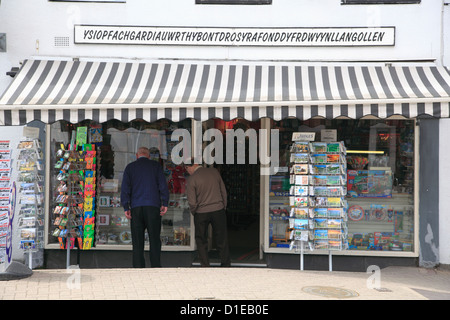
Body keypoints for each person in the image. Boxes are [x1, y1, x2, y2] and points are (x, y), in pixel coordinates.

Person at [121, 147, 169, 268]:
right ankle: (156, 266)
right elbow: (163, 185)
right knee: (154, 239)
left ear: (137, 155)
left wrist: (126, 206)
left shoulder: (130, 168)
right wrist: (165, 203)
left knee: (137, 241)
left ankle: (138, 267)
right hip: (153, 206)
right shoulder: (156, 166)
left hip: (136, 208)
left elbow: (125, 189)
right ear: (148, 156)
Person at [185, 160, 230, 267]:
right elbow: (223, 192)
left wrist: (194, 212)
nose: (187, 171)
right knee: (222, 239)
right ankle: (226, 264)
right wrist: (223, 206)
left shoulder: (192, 179)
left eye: (187, 168)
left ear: (192, 166)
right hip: (218, 210)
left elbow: (192, 202)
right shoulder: (214, 172)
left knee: (201, 240)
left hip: (201, 213)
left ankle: (205, 265)